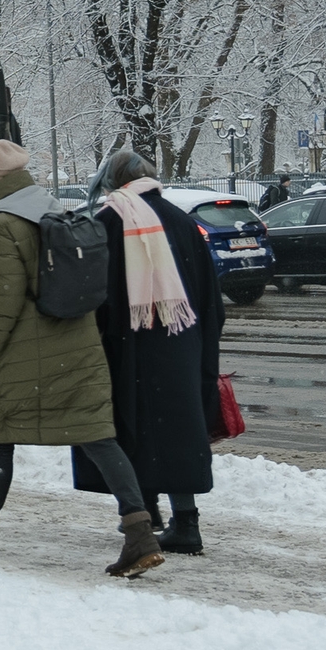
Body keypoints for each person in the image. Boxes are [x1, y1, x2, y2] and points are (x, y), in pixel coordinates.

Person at [0, 140, 164, 577]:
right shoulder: (54, 209)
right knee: (99, 435)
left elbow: (6, 302)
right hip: (79, 345)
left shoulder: (3, 225)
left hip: (28, 352)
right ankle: (140, 534)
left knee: (0, 436)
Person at [76, 150, 224, 555]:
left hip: (130, 350)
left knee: (129, 427)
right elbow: (211, 297)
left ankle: (144, 513)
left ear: (114, 180)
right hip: (181, 348)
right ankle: (185, 521)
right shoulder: (183, 222)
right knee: (177, 431)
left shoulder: (109, 221)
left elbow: (93, 294)